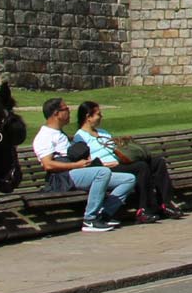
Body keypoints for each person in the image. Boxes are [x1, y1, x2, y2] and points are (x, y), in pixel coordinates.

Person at [34, 97, 135, 234]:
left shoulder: (59, 133)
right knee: (102, 172)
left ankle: (104, 214)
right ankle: (90, 219)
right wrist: (76, 165)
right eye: (66, 109)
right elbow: (48, 165)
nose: (70, 112)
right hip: (62, 177)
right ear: (56, 113)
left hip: (74, 172)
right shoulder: (45, 135)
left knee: (128, 179)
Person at [74, 100, 182, 221]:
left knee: (158, 162)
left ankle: (166, 203)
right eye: (98, 114)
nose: (101, 116)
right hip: (107, 168)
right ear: (88, 117)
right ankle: (144, 209)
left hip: (120, 162)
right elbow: (87, 163)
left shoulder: (102, 132)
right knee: (141, 167)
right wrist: (107, 164)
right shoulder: (80, 137)